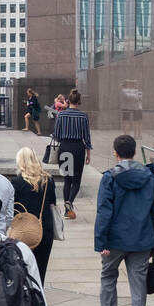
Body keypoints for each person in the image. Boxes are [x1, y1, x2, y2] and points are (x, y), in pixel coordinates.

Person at [93, 134, 154, 306]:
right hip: (142, 241)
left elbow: (104, 212)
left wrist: (100, 242)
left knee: (108, 277)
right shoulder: (150, 178)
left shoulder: (110, 178)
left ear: (115, 153)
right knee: (138, 287)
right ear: (134, 152)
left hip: (114, 240)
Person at [10, 146, 58, 282]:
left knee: (22, 269)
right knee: (40, 270)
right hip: (44, 229)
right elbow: (52, 202)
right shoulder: (48, 180)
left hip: (23, 230)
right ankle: (39, 297)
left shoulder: (16, 183)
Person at [52, 90, 92, 219]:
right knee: (76, 180)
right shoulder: (83, 116)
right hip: (78, 149)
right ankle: (70, 202)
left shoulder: (61, 115)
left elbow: (56, 136)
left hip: (64, 149)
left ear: (68, 100)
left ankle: (67, 209)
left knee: (67, 180)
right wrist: (88, 154)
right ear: (79, 101)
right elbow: (87, 137)